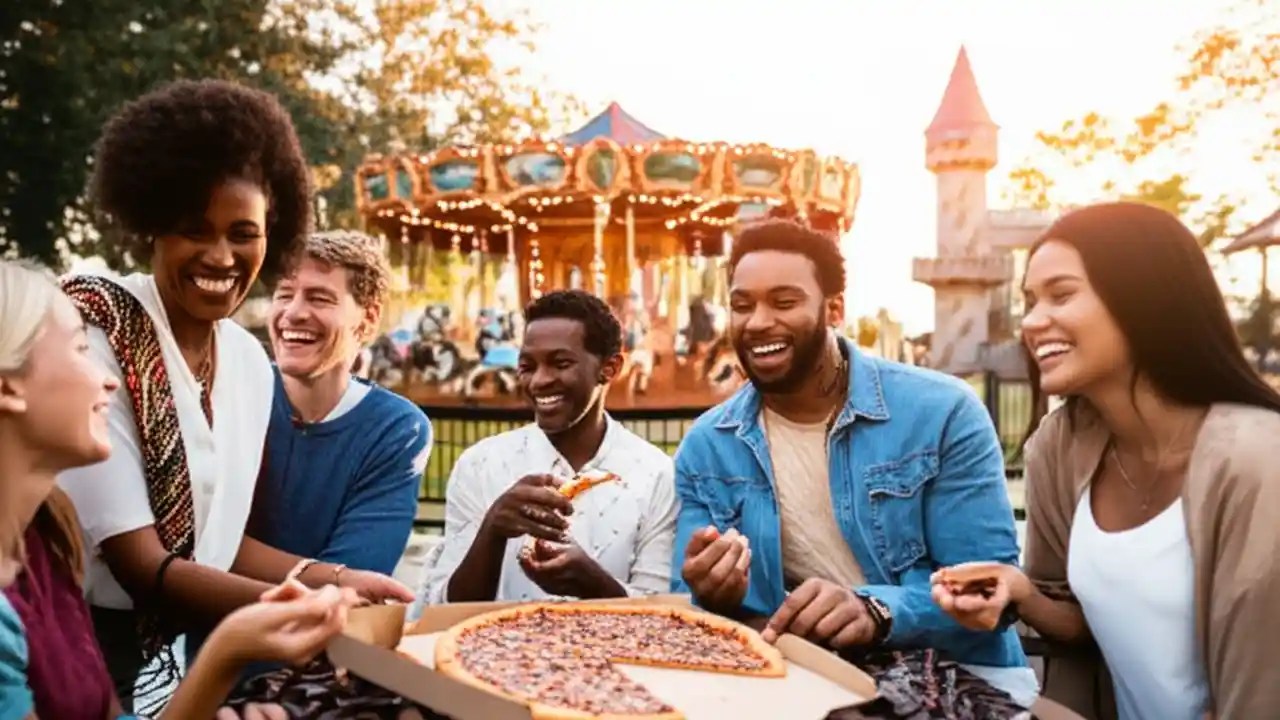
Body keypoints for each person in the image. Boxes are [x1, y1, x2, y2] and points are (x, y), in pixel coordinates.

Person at [54, 79, 409, 710]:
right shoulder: (95, 332)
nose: (221, 255)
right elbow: (143, 566)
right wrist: (306, 609)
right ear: (150, 228)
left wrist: (338, 580)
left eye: (243, 232)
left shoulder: (248, 362)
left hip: (178, 653)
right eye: (195, 230)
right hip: (77, 648)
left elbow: (218, 543)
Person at [931, 202, 1280, 720]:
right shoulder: (1060, 445)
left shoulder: (1257, 460)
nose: (1032, 321)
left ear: (1144, 297)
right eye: (1029, 300)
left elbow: (1259, 694)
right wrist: (1022, 593)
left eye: (1062, 294)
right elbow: (1087, 625)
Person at [671, 219, 1035, 706]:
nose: (758, 322)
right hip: (796, 679)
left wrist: (876, 611)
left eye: (783, 302)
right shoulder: (706, 446)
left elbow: (988, 590)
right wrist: (711, 594)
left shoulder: (941, 411)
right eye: (742, 305)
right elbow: (691, 609)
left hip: (958, 675)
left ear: (834, 309)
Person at [0, 259, 360, 720]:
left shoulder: (49, 539)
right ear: (9, 386)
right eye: (79, 350)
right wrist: (228, 649)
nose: (109, 378)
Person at [414, 289, 678, 610]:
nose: (539, 381)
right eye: (527, 365)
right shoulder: (481, 465)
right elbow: (445, 608)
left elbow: (663, 610)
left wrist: (595, 584)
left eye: (560, 363)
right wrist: (492, 531)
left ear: (609, 368)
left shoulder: (655, 474)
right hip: (498, 658)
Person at [249, 229, 431, 580]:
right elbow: (196, 544)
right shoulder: (232, 392)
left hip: (328, 632)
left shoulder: (396, 429)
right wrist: (331, 576)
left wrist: (228, 557)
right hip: (215, 634)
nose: (293, 313)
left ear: (368, 318)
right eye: (284, 294)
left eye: (319, 299)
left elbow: (358, 573)